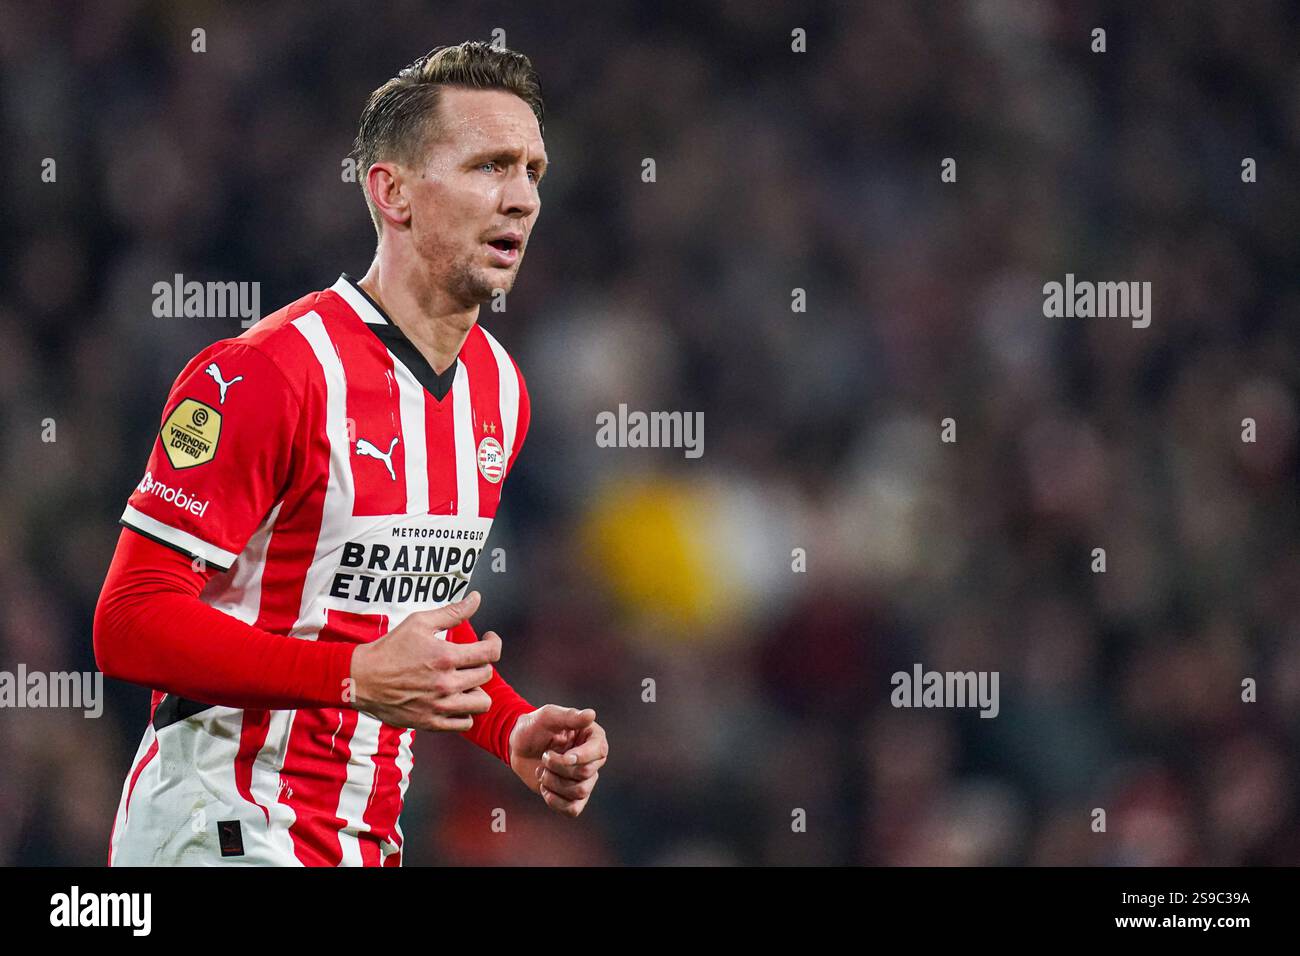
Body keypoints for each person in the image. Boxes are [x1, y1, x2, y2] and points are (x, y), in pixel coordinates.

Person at [94, 41, 608, 867]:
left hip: (362, 838)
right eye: (488, 166)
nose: (520, 200)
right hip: (221, 823)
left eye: (534, 172)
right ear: (392, 192)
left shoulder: (500, 392)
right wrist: (348, 679)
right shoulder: (267, 372)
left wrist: (510, 725)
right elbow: (129, 622)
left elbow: (389, 633)